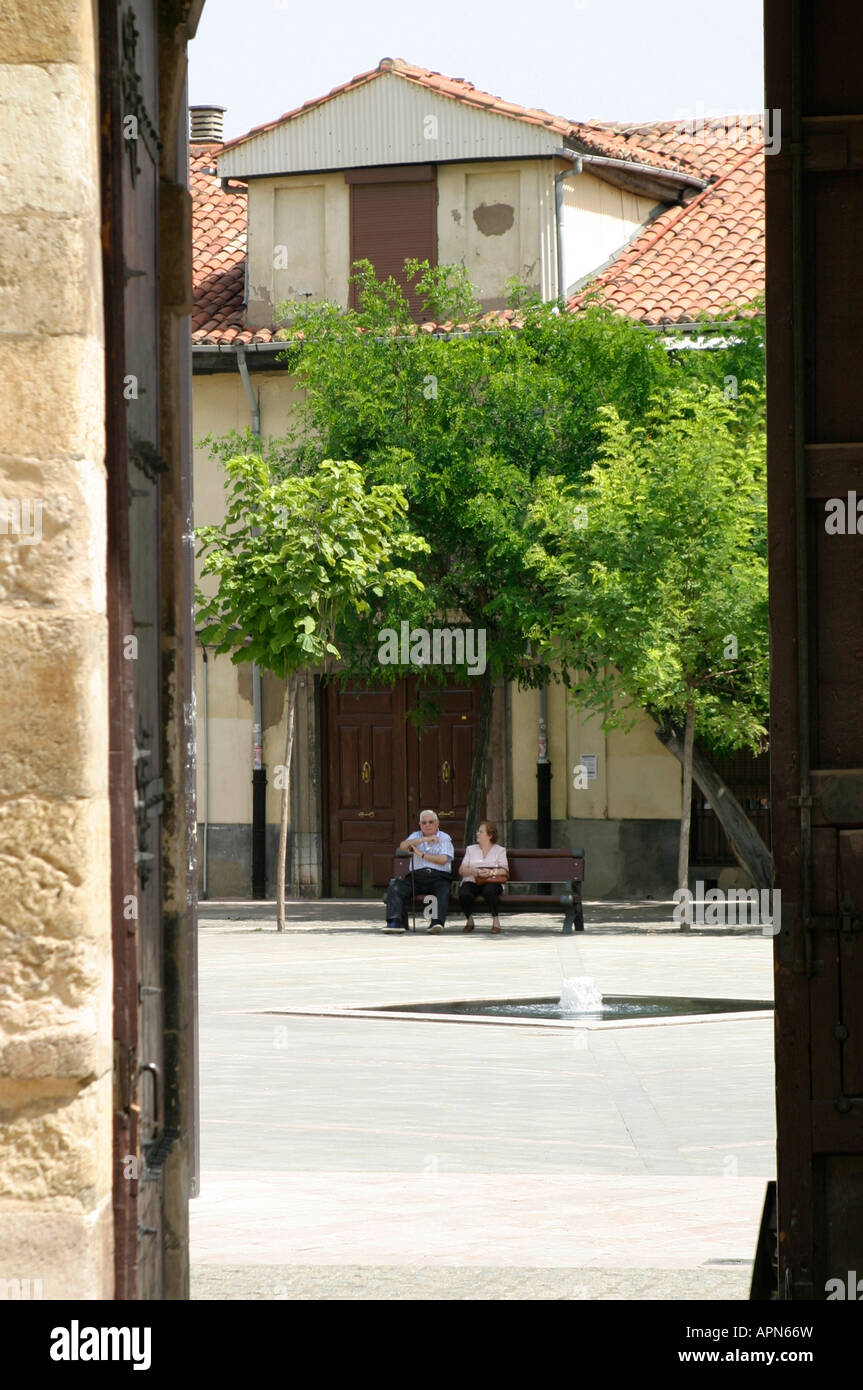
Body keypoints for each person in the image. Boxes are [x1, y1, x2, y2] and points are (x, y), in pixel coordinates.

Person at [383, 810, 454, 934]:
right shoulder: (416, 835)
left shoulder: (444, 837)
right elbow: (403, 846)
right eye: (424, 822)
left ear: (437, 823)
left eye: (431, 822)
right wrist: (424, 839)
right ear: (420, 825)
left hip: (439, 877)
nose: (427, 825)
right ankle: (395, 922)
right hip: (416, 877)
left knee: (443, 890)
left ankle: (436, 923)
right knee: (395, 888)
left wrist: (421, 855)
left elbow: (443, 860)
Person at [458, 821, 509, 933]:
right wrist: (474, 871)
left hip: (491, 881)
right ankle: (469, 920)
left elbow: (505, 871)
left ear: (490, 835)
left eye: (481, 832)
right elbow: (461, 870)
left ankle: (496, 921)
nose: (477, 833)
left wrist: (491, 873)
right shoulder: (470, 849)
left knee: (489, 891)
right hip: (472, 880)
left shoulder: (500, 850)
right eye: (478, 831)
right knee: (464, 893)